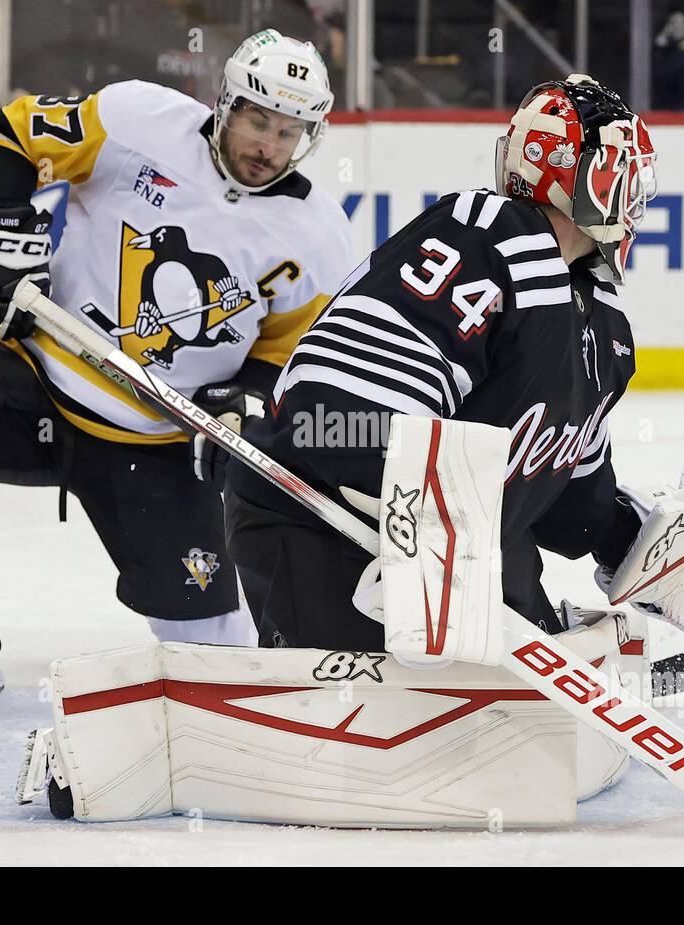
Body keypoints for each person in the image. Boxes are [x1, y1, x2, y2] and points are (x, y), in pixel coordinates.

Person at [0, 29, 353, 702]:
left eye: (288, 132)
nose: (267, 146)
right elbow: (5, 132)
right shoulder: (137, 120)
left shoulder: (319, 233)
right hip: (37, 385)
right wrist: (4, 240)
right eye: (257, 120)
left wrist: (245, 396)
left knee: (216, 665)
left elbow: (294, 354)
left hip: (158, 445)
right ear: (226, 104)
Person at [225, 75, 655, 651]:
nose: (634, 200)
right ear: (587, 177)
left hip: (460, 549)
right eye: (624, 176)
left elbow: (566, 500)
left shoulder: (603, 329)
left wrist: (628, 541)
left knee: (504, 550)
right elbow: (335, 411)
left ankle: (541, 635)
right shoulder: (484, 233)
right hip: (327, 522)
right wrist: (406, 517)